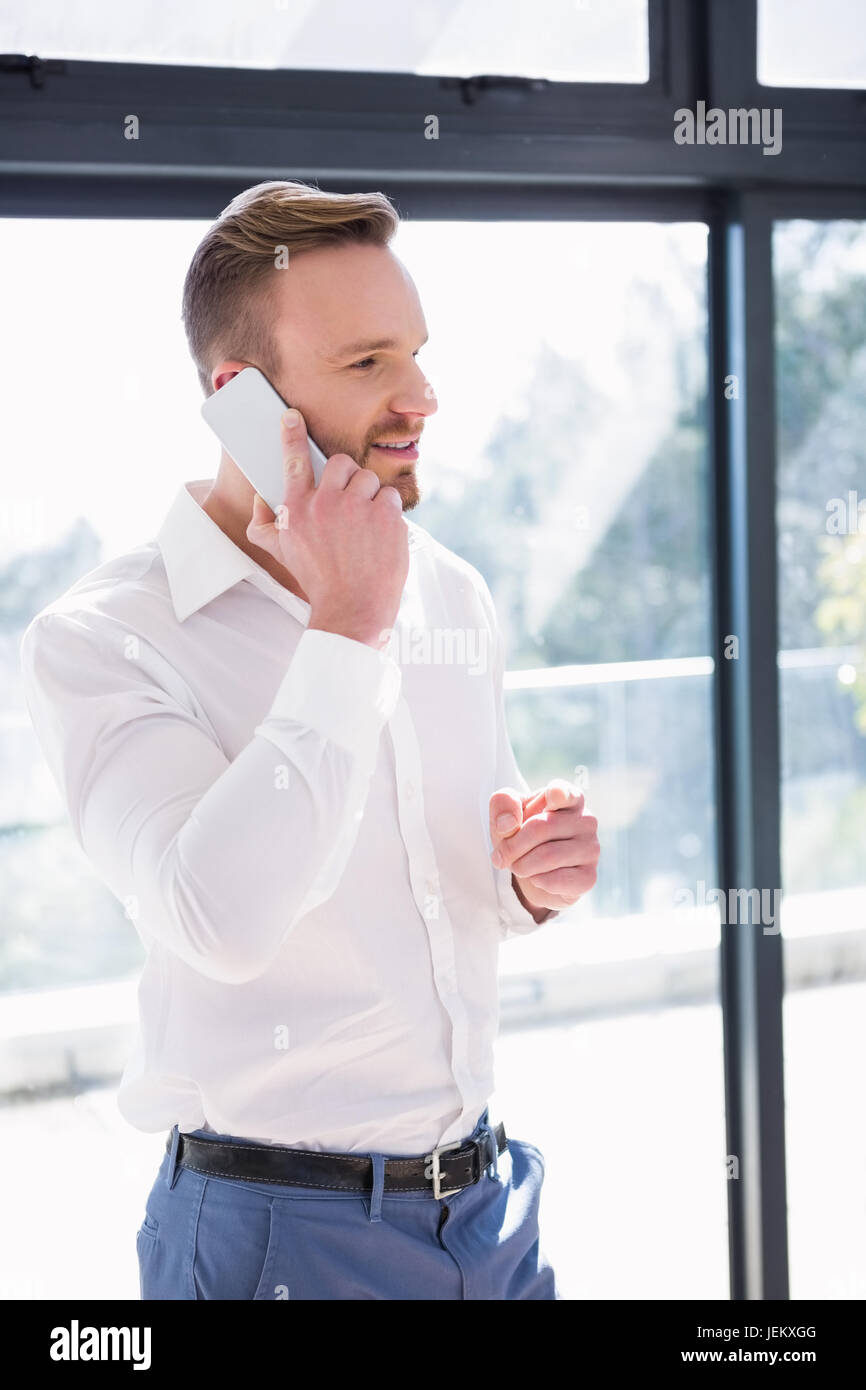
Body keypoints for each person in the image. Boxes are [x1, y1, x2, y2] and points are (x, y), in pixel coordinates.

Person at [19, 180, 601, 1300]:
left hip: (489, 1211)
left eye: (416, 353)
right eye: (367, 362)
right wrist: (347, 625)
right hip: (278, 1240)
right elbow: (216, 918)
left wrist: (529, 879)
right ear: (241, 399)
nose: (421, 395)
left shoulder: (450, 591)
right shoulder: (103, 639)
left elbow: (454, 891)